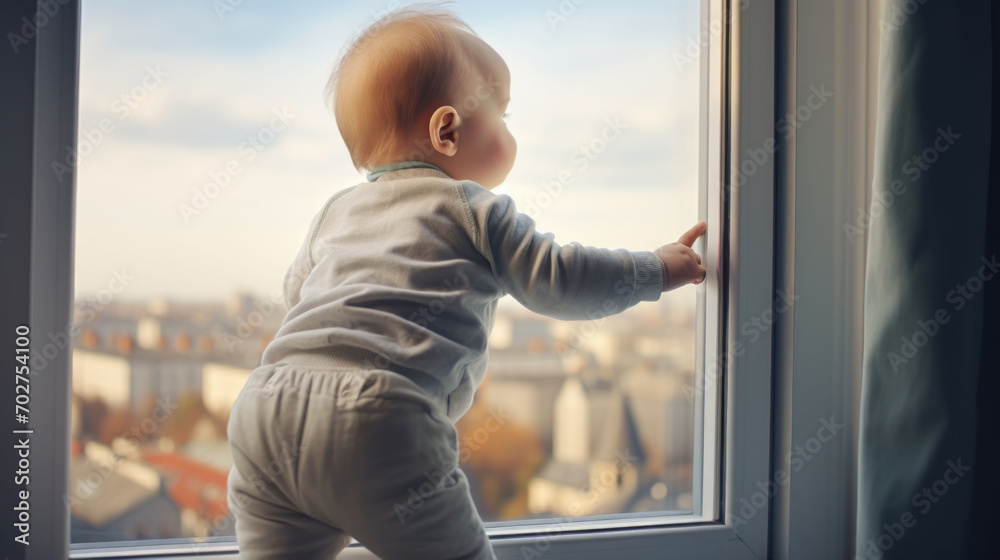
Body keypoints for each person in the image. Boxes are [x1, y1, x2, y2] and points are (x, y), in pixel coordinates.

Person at [225, 6, 707, 559]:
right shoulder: (472, 208)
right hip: (379, 418)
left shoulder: (336, 212)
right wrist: (655, 269)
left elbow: (299, 300)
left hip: (264, 410)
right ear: (447, 131)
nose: (509, 131)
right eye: (502, 115)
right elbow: (561, 278)